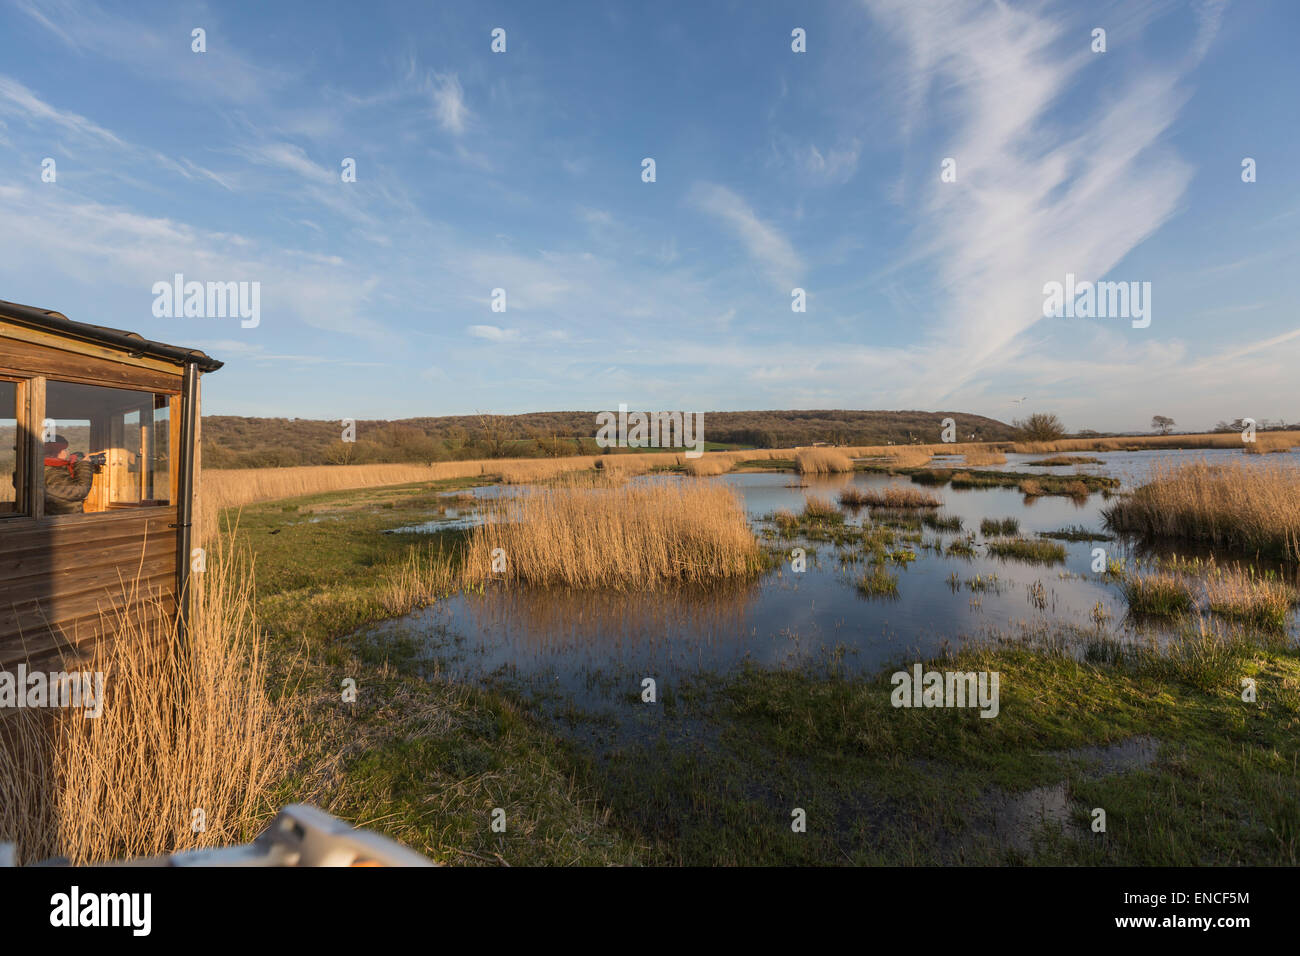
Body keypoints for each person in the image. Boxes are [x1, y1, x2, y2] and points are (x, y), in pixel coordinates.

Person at [43, 435, 99, 515]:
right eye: (65, 449)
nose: (67, 452)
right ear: (55, 451)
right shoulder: (50, 471)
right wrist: (84, 465)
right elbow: (79, 491)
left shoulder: (54, 467)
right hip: (63, 521)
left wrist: (74, 464)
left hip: (64, 519)